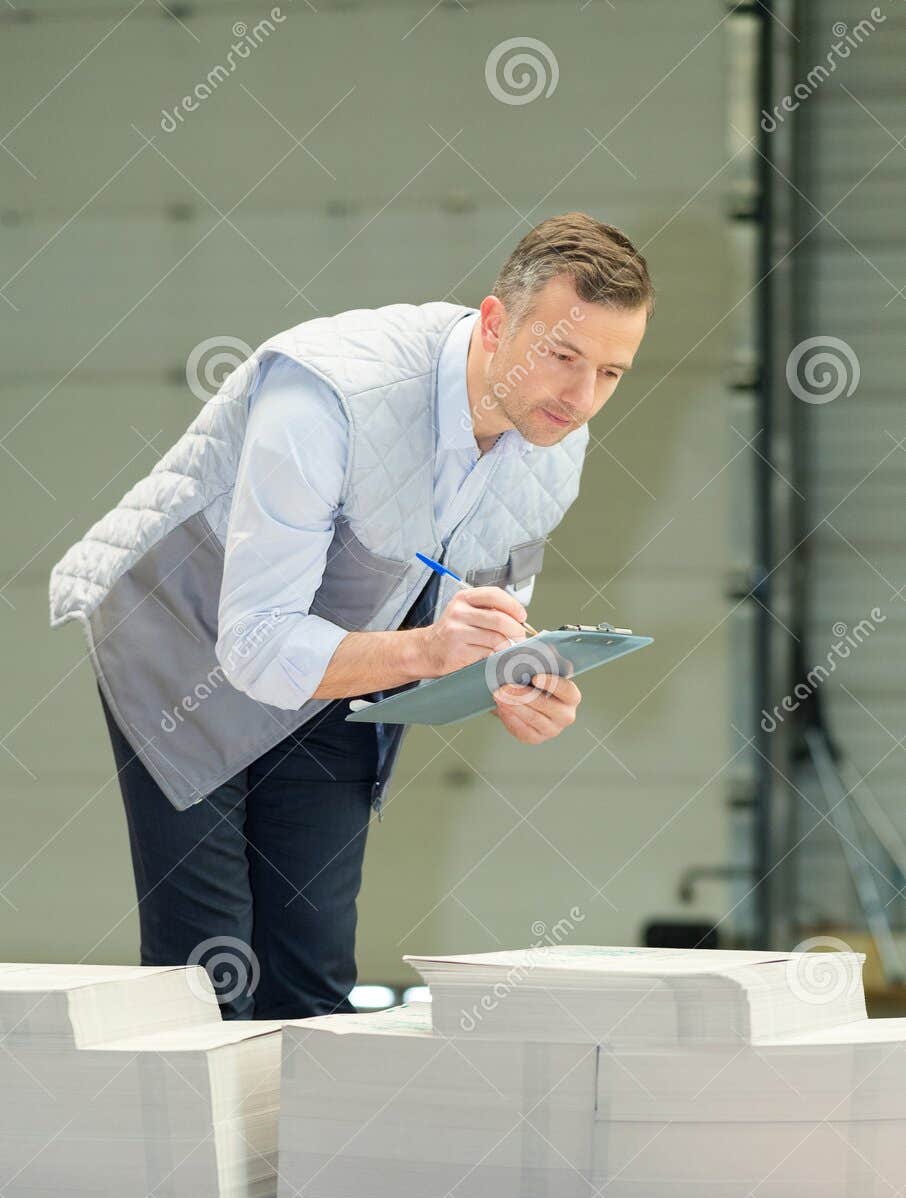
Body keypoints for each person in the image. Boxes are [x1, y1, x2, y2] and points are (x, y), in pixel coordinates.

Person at [49, 212, 653, 1018]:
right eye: (564, 356)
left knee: (312, 974)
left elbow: (477, 616)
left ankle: (303, 1147)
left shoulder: (552, 434)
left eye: (612, 373)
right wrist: (432, 650)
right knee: (211, 978)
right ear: (496, 323)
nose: (582, 399)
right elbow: (259, 646)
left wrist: (511, 679)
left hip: (348, 666)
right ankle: (198, 1144)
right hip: (186, 652)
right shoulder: (328, 395)